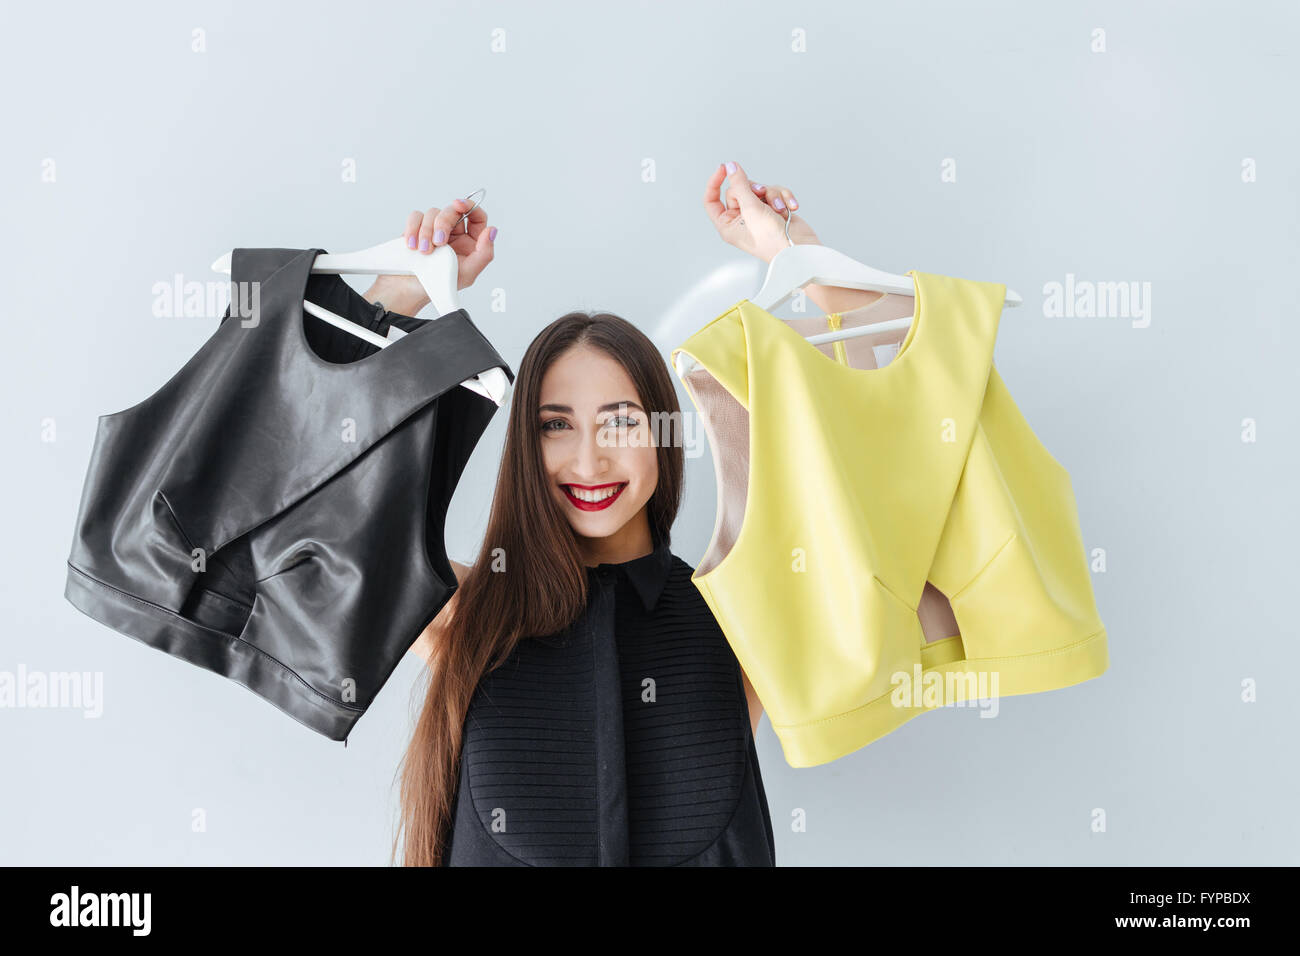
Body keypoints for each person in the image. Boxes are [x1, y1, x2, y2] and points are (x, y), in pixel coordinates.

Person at [368, 162, 886, 866]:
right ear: (527, 443)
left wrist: (796, 252)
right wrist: (398, 294)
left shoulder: (736, 614)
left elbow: (885, 429)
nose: (588, 461)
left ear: (664, 433)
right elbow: (313, 498)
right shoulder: (468, 614)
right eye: (556, 425)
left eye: (619, 423)